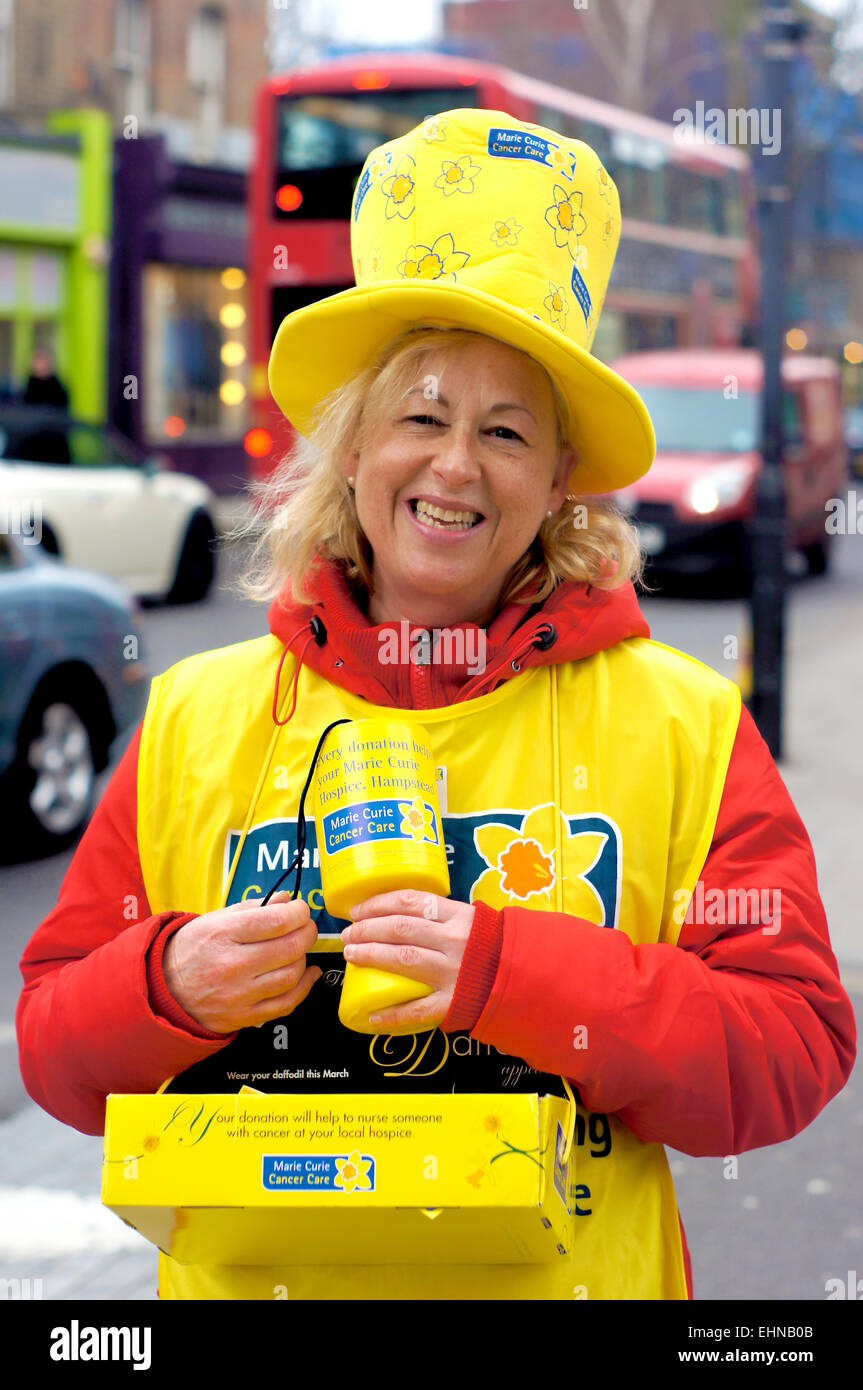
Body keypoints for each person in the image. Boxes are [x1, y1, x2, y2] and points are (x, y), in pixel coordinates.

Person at [16, 109, 856, 1301]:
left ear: (558, 477)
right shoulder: (196, 716)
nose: (455, 466)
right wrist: (162, 987)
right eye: (419, 416)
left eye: (504, 431)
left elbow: (790, 1051)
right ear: (351, 448)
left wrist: (517, 978)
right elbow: (53, 1052)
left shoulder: (682, 723)